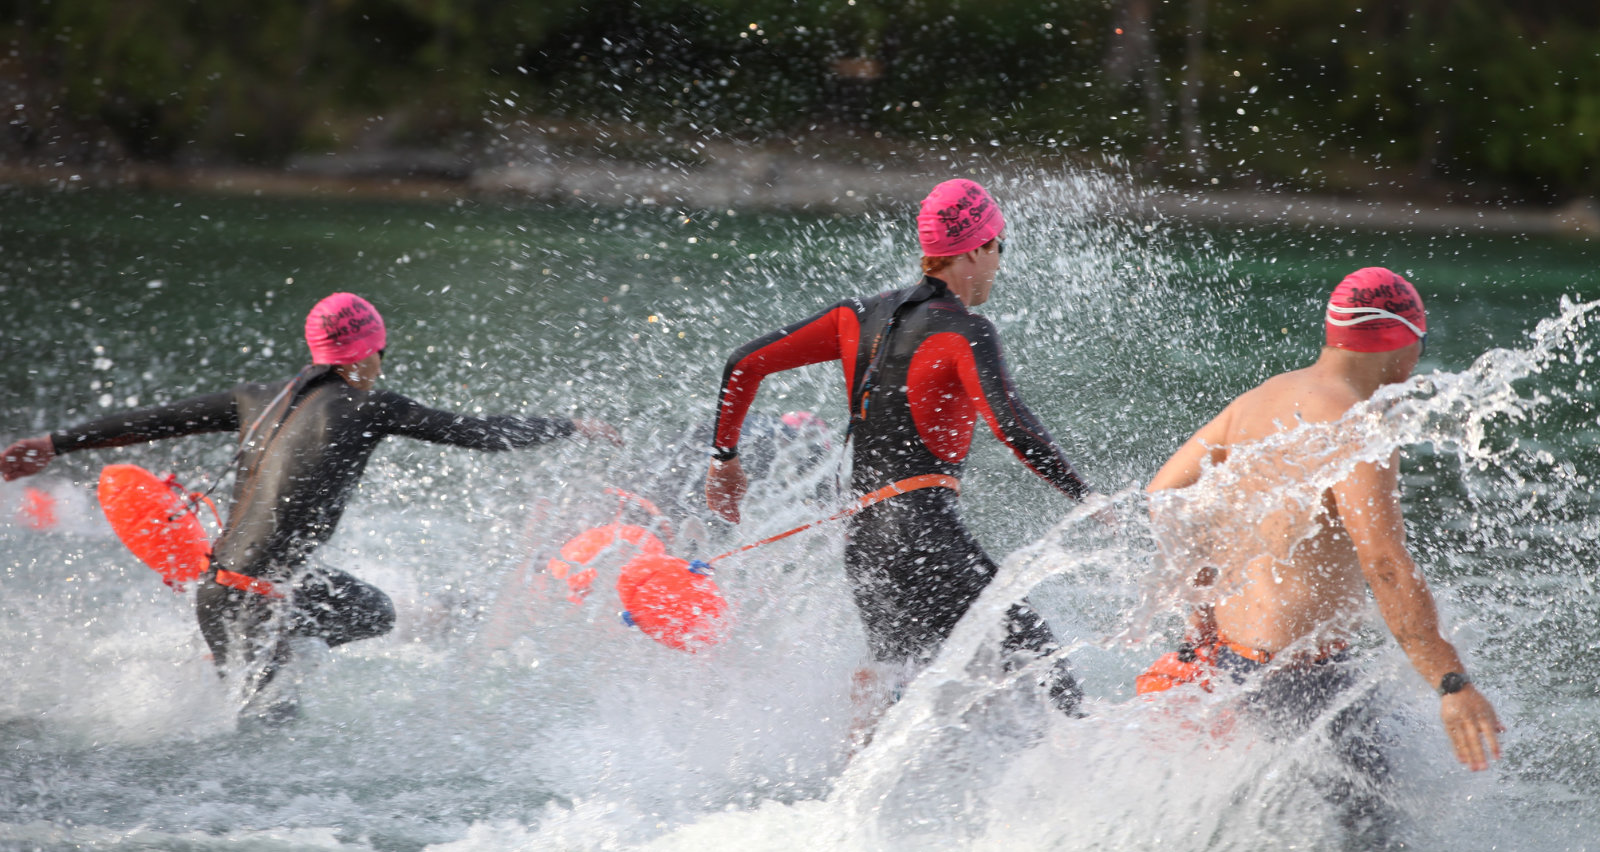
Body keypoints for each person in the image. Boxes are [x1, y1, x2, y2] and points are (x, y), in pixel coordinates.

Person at [1, 292, 619, 718]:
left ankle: (256, 646)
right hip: (259, 597)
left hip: (221, 590)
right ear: (371, 351)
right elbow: (479, 433)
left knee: (371, 611)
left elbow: (156, 421)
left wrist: (54, 443)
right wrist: (570, 426)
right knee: (266, 744)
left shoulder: (258, 396)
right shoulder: (372, 403)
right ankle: (269, 646)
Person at [704, 179, 1097, 726]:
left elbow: (744, 363)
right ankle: (1089, 769)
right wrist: (1086, 496)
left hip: (865, 543)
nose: (999, 265)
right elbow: (1014, 428)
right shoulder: (966, 330)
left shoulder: (855, 317)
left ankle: (847, 797)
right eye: (999, 248)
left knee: (896, 681)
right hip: (922, 532)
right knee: (1039, 660)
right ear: (976, 248)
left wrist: (725, 459)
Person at [1144, 267, 1503, 786]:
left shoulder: (1263, 397)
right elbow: (1383, 562)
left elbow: (1166, 495)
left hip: (1228, 664)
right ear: (1400, 343)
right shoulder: (1358, 423)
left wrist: (1199, 618)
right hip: (1298, 681)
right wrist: (1453, 685)